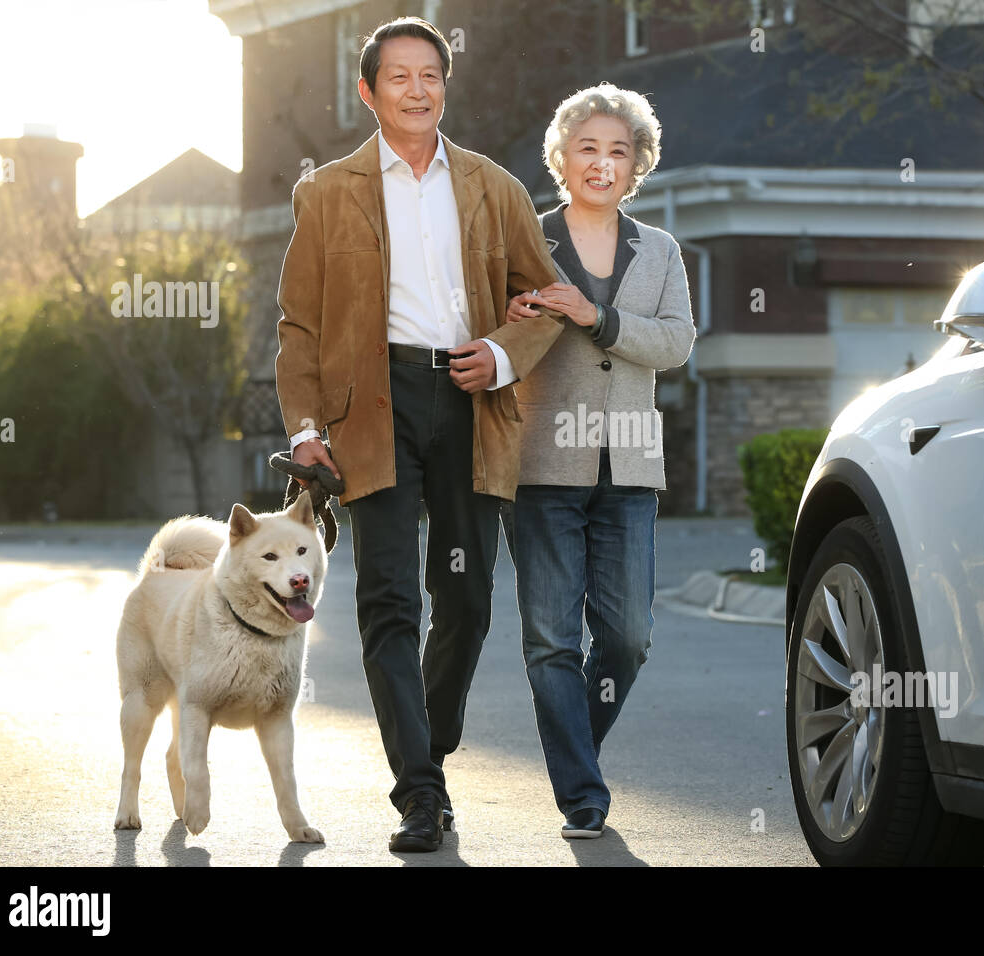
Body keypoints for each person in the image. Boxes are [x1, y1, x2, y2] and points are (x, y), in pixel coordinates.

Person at [275, 16, 564, 853]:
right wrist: (303, 428)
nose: (417, 88)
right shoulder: (324, 194)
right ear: (368, 92)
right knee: (389, 598)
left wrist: (503, 357)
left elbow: (545, 299)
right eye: (397, 76)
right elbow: (298, 326)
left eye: (430, 74)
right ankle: (420, 795)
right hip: (373, 405)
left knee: (466, 600)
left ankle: (425, 754)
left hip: (469, 401)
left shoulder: (492, 186)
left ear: (446, 84)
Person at [501, 83, 695, 838]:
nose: (602, 163)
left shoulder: (662, 250)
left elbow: (676, 342)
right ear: (562, 156)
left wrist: (600, 317)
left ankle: (568, 749)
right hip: (542, 464)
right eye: (588, 147)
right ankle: (583, 791)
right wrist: (510, 319)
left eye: (618, 151)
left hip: (631, 469)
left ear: (636, 165)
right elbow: (484, 339)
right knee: (551, 637)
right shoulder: (525, 242)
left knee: (628, 637)